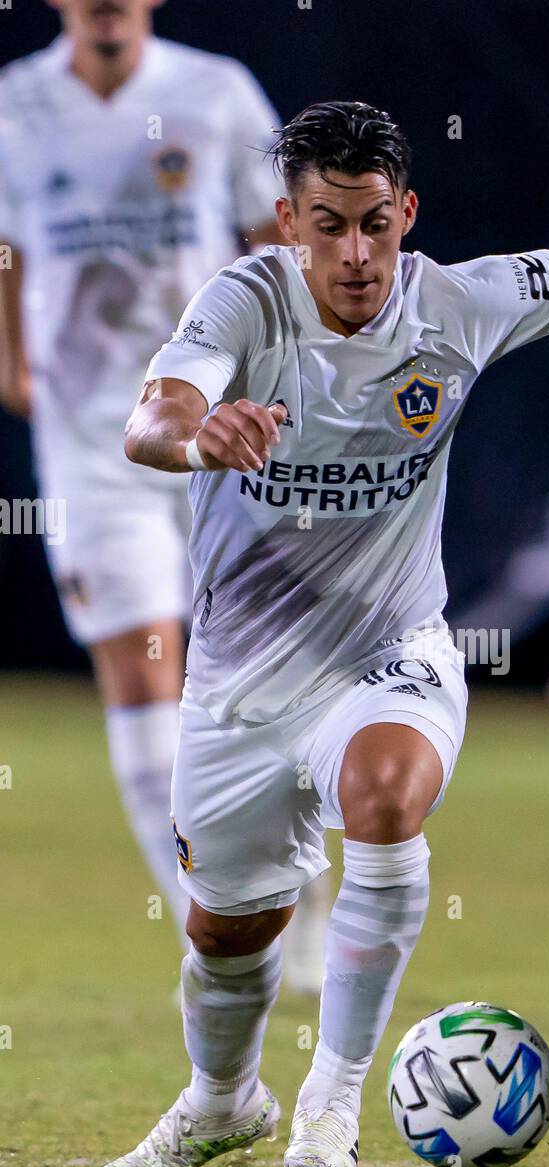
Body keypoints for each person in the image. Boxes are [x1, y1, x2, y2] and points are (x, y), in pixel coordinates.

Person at [97, 99, 549, 1167]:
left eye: (374, 223)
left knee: (383, 798)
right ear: (288, 222)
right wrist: (196, 436)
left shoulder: (462, 302)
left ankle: (332, 1102)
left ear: (406, 213)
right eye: (328, 225)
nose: (355, 254)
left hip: (389, 652)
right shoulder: (242, 302)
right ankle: (221, 1102)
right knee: (226, 933)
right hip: (239, 686)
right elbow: (150, 417)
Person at [0, 0, 326, 988]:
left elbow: (274, 241)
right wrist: (13, 361)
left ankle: (298, 889)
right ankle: (221, 930)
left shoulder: (213, 91)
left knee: (262, 676)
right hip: (93, 445)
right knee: (144, 682)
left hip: (216, 433)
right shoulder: (15, 106)